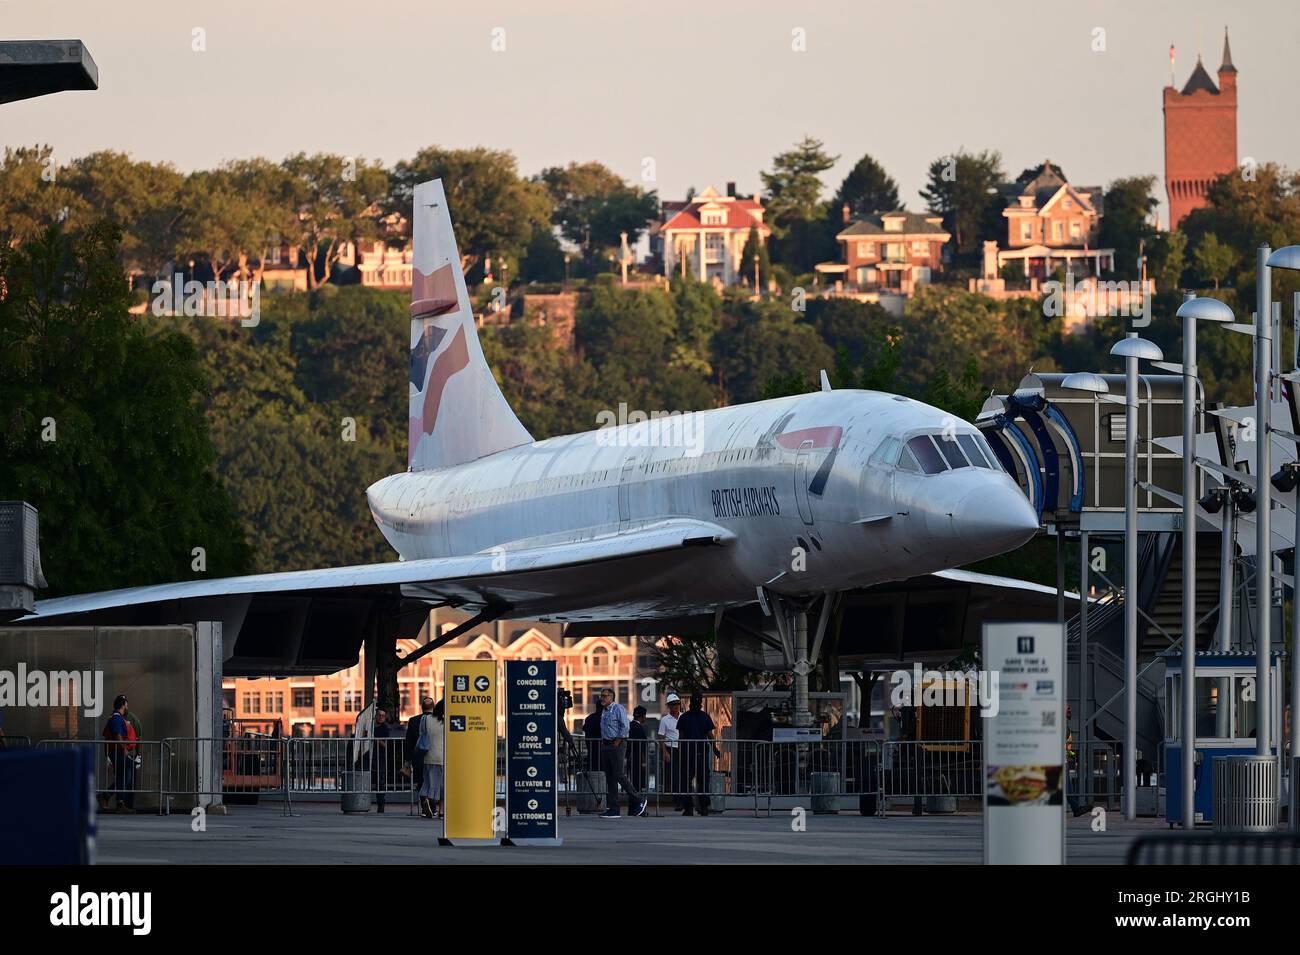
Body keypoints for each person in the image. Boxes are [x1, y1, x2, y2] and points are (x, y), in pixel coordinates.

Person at [597, 688, 646, 819]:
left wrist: (617, 741)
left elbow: (625, 726)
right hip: (606, 745)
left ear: (612, 697)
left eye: (605, 696)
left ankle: (638, 799)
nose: (602, 698)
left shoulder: (618, 709)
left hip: (616, 744)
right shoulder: (604, 711)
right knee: (610, 777)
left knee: (619, 774)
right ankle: (614, 808)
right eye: (601, 696)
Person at [677, 691, 716, 816]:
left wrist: (681, 751)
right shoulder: (704, 717)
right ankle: (702, 807)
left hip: (691, 753)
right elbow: (710, 736)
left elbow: (681, 738)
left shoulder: (684, 717)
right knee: (702, 781)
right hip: (699, 752)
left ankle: (689, 808)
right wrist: (714, 748)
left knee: (688, 781)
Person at [102, 694, 137, 814]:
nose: (127, 706)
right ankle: (105, 795)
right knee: (130, 768)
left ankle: (120, 803)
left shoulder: (117, 718)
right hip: (117, 752)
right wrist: (124, 748)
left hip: (117, 751)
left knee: (123, 775)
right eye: (126, 704)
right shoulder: (116, 718)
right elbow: (117, 736)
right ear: (123, 704)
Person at [658, 692, 687, 811]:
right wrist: (665, 752)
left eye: (678, 704)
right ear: (669, 706)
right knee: (675, 777)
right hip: (672, 749)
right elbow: (661, 737)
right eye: (674, 704)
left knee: (685, 775)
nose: (676, 706)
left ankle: (686, 800)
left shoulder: (684, 717)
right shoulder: (665, 720)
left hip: (683, 748)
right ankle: (678, 801)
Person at [418, 699, 446, 819]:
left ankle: (425, 798)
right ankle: (441, 811)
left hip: (428, 755)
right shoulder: (448, 721)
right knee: (443, 785)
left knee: (428, 781)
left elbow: (421, 734)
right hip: (443, 757)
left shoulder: (425, 719)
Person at [371, 707, 401, 813]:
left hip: (380, 758)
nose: (381, 717)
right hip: (369, 757)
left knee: (380, 782)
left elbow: (386, 744)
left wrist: (374, 739)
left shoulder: (385, 729)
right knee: (367, 780)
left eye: (383, 716)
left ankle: (381, 805)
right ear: (375, 716)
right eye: (379, 715)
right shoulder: (370, 727)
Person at [404, 699, 429, 804]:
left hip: (418, 756)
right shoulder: (439, 720)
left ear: (422, 707)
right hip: (434, 756)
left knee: (420, 780)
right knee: (433, 780)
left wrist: (408, 759)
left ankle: (423, 802)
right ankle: (432, 805)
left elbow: (409, 741)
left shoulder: (413, 720)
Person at [628, 705, 649, 794]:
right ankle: (637, 802)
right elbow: (640, 745)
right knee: (638, 783)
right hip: (638, 760)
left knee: (633, 781)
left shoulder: (630, 725)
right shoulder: (639, 728)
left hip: (630, 758)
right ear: (642, 716)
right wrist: (643, 761)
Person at [581, 698, 604, 772]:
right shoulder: (603, 719)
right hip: (601, 750)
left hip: (591, 749)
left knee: (591, 769)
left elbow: (584, 728)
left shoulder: (589, 718)